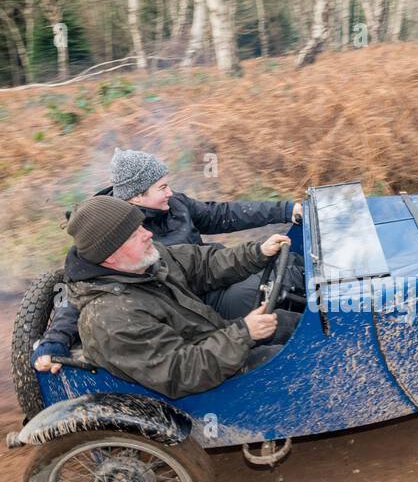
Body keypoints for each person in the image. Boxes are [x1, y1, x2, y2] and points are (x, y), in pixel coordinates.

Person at [34, 147, 303, 369]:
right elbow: (80, 294)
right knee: (270, 294)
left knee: (288, 265)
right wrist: (54, 342)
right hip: (188, 307)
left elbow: (219, 216)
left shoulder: (173, 206)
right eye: (162, 187)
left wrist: (284, 211)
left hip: (208, 276)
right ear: (138, 196)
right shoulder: (109, 235)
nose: (170, 192)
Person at [52, 195, 299, 398]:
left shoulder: (145, 261)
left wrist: (257, 252)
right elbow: (181, 372)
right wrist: (244, 334)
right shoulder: (111, 317)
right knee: (296, 360)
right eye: (133, 234)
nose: (147, 233)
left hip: (212, 341)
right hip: (202, 381)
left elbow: (204, 264)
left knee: (298, 326)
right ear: (110, 256)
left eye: (140, 226)